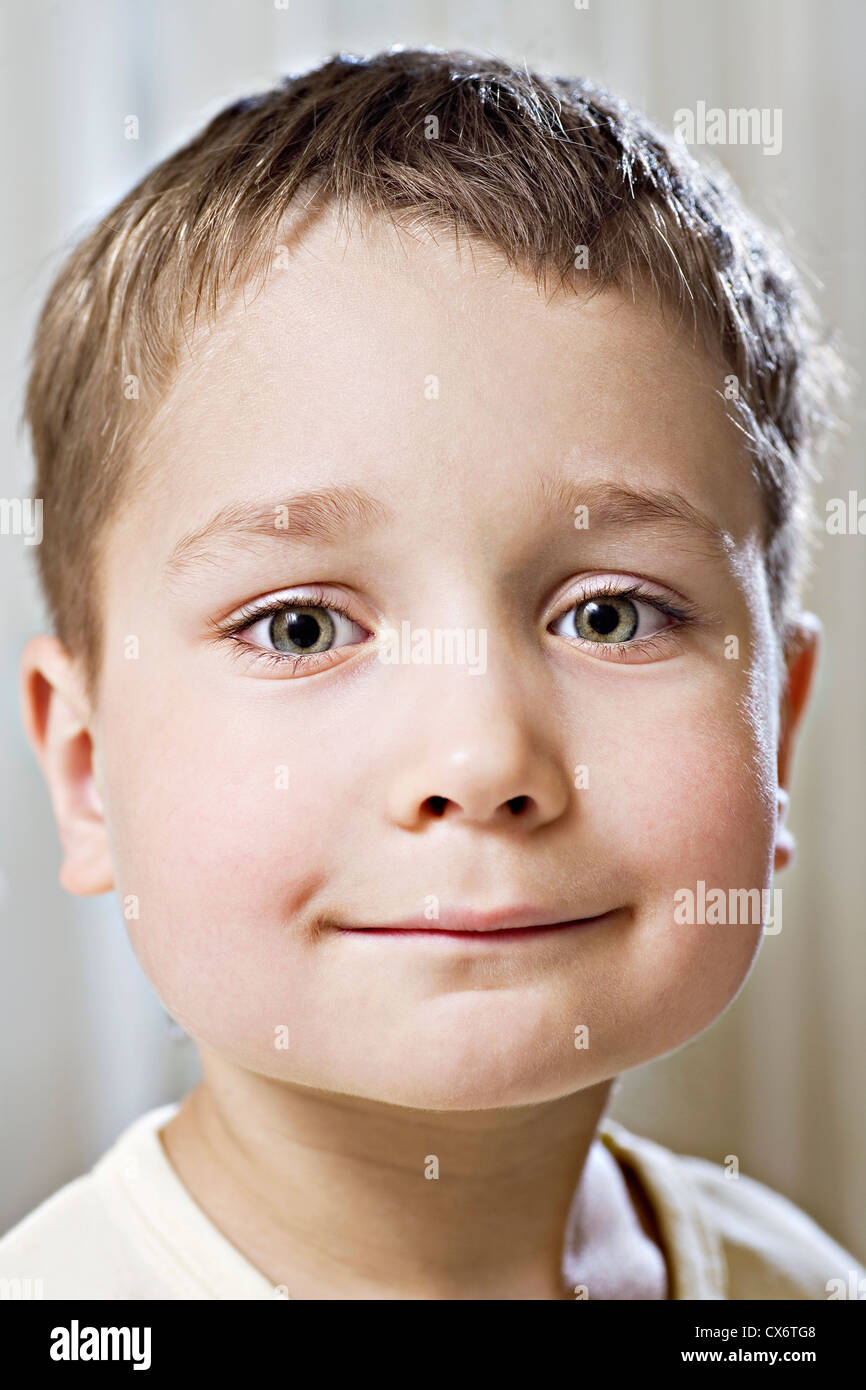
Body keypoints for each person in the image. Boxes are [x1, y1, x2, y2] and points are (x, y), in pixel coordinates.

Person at [3, 47, 863, 1299]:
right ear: (87, 773)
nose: (480, 759)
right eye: (299, 626)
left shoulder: (797, 1291)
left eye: (611, 614)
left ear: (772, 740)